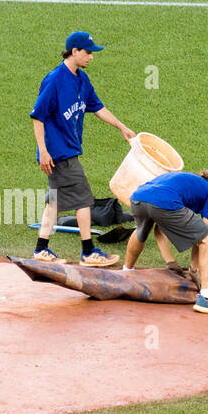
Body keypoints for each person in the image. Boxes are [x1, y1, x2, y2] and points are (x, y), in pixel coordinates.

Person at [30, 31, 134, 267]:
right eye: (87, 52)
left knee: (54, 202)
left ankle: (41, 249)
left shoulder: (81, 80)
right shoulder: (54, 80)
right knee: (84, 200)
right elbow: (38, 117)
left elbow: (97, 107)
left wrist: (121, 126)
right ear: (74, 52)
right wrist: (44, 151)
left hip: (67, 150)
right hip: (59, 153)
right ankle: (88, 252)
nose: (91, 57)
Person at [124, 167, 208, 314]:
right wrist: (193, 270)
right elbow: (201, 236)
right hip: (163, 201)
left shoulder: (188, 184)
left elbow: (159, 229)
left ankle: (125, 273)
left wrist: (171, 262)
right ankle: (207, 298)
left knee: (142, 230)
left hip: (138, 197)